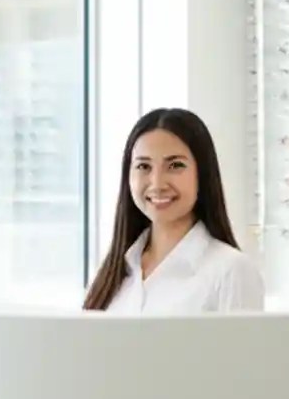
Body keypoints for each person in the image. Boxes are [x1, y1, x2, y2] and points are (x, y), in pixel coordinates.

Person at [83, 107, 264, 313]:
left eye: (175, 165)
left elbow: (244, 346)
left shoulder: (231, 271)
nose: (157, 183)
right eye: (144, 166)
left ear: (202, 174)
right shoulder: (114, 272)